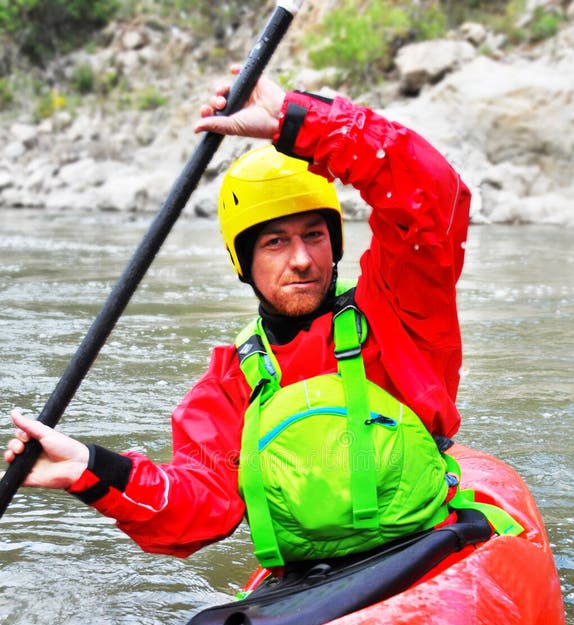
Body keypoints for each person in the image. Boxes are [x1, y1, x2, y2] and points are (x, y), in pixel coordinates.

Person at [4, 71, 472, 569]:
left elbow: (432, 195)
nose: (301, 259)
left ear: (334, 244)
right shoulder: (231, 382)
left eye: (314, 235)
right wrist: (91, 469)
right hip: (317, 579)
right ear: (243, 262)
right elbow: (197, 506)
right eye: (275, 242)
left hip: (429, 546)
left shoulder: (399, 306)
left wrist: (301, 120)